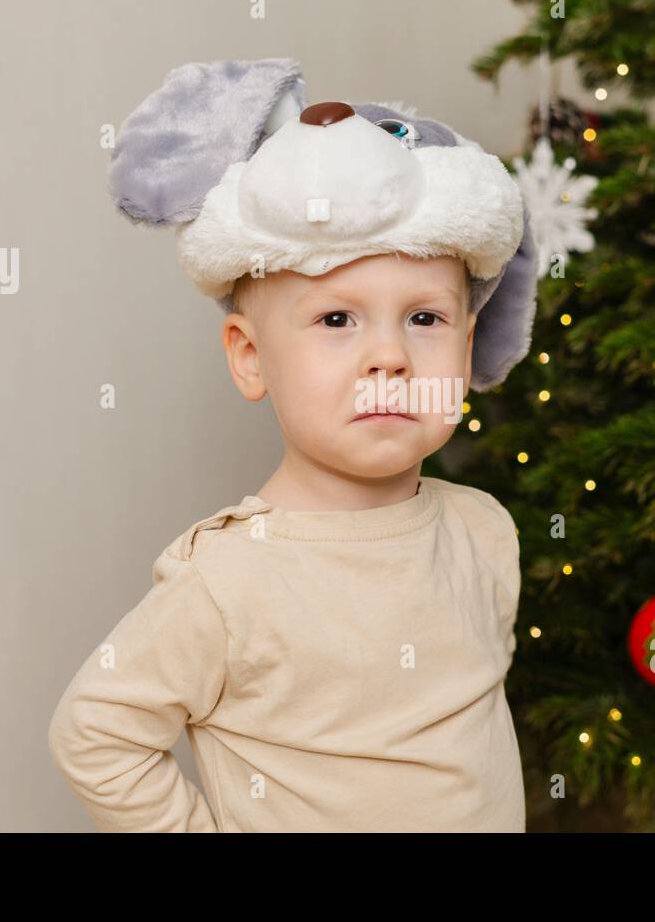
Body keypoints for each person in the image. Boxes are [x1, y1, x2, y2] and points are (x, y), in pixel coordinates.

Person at [47, 57, 538, 831]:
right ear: (250, 356)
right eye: (337, 320)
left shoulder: (484, 532)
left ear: (469, 343)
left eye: (425, 318)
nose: (391, 357)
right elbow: (96, 734)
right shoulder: (229, 583)